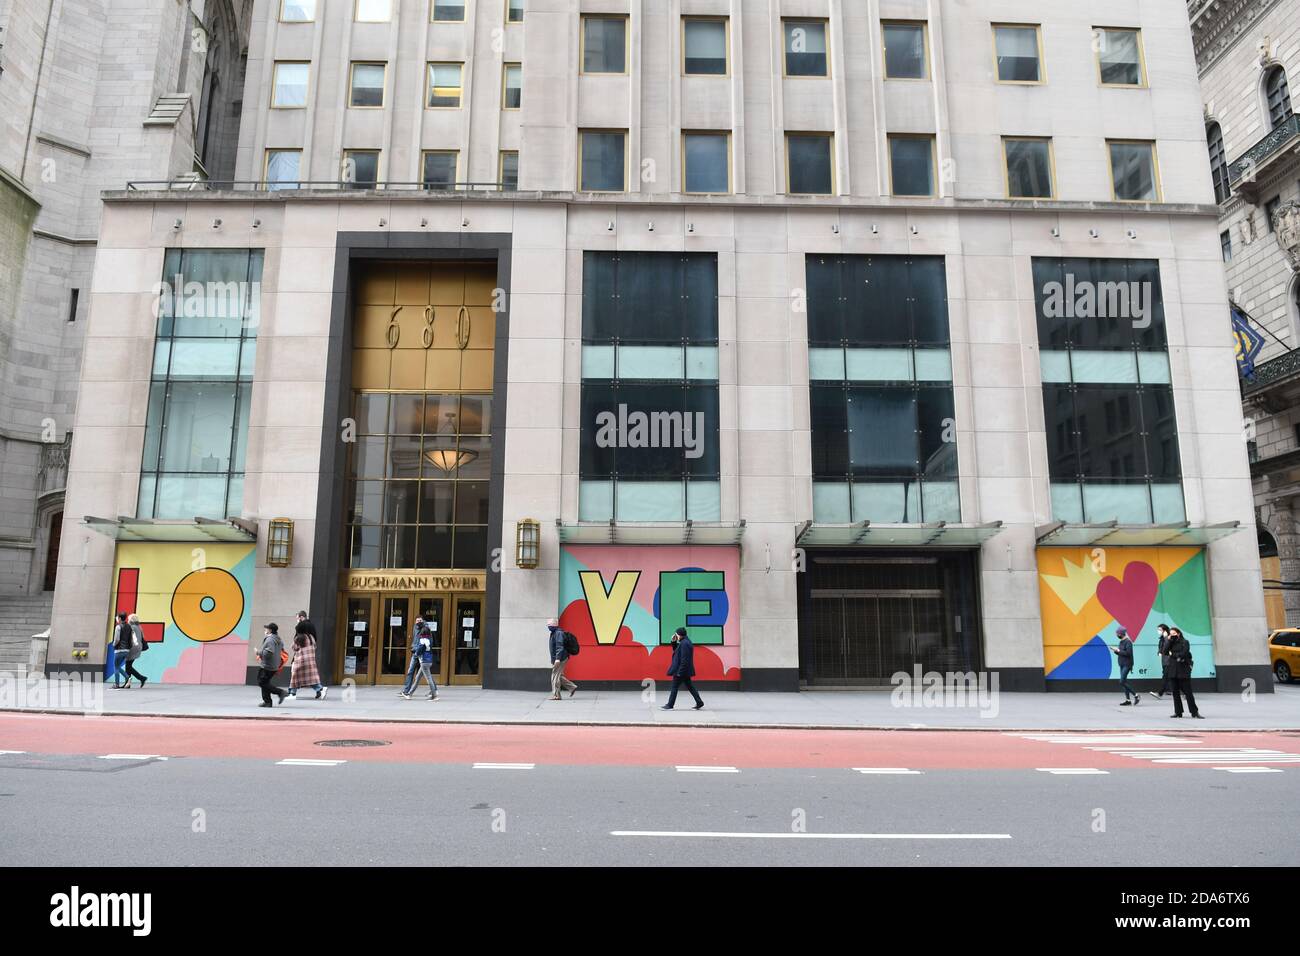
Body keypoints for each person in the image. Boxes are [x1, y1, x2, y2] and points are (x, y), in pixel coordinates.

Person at [661, 626, 704, 711]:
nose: (676, 636)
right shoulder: (684, 642)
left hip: (681, 670)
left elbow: (685, 659)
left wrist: (680, 672)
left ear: (680, 635)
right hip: (684, 670)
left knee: (674, 687)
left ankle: (670, 705)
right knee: (690, 686)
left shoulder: (685, 644)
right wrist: (673, 642)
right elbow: (677, 651)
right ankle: (699, 702)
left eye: (676, 634)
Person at [400, 613, 439, 701]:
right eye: (417, 621)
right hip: (420, 655)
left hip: (422, 656)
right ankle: (408, 692)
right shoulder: (415, 627)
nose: (418, 622)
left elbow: (425, 643)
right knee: (415, 674)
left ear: (423, 621)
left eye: (420, 621)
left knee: (425, 677)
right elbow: (415, 639)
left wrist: (417, 652)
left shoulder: (425, 629)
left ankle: (434, 693)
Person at [1166, 626, 1203, 719]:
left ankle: (1194, 712)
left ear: (1178, 633)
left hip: (1183, 671)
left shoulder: (1185, 642)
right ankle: (1178, 712)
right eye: (1171, 634)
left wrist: (1173, 654)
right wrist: (1169, 641)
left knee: (1188, 693)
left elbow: (1183, 654)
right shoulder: (1171, 643)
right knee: (1175, 693)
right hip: (1173, 670)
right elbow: (1165, 651)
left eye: (1174, 634)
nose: (1172, 635)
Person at [287, 620, 326, 700]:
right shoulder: (311, 637)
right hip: (310, 661)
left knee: (295, 677)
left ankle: (292, 694)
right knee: (310, 678)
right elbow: (314, 647)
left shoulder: (298, 638)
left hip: (300, 661)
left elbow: (294, 648)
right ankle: (320, 689)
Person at [257, 623, 288, 708]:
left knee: (261, 682)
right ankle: (267, 702)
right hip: (274, 665)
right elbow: (280, 650)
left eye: (266, 628)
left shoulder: (270, 640)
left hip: (267, 665)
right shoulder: (278, 639)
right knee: (265, 682)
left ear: (270, 630)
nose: (265, 630)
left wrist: (258, 652)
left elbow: (269, 652)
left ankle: (280, 692)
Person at [547, 618, 577, 700]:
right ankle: (572, 687)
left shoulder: (558, 633)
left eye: (549, 625)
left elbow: (560, 646)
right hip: (558, 658)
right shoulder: (554, 633)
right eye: (548, 625)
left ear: (554, 625)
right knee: (559, 675)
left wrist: (557, 659)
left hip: (561, 658)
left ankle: (556, 695)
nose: (548, 626)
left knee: (555, 675)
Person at [1111, 627, 1139, 706]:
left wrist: (1119, 650)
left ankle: (1136, 695)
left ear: (1122, 633)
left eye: (1118, 633)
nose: (1117, 635)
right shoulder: (1121, 642)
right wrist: (1116, 651)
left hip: (1127, 664)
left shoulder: (1128, 642)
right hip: (1122, 663)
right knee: (1124, 682)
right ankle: (1128, 700)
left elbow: (1128, 653)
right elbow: (1121, 653)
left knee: (1122, 681)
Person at [122, 613, 149, 688]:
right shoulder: (139, 627)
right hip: (137, 647)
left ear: (131, 620)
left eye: (129, 619)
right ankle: (130, 683)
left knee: (128, 666)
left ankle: (140, 678)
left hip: (132, 648)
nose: (128, 620)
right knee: (128, 666)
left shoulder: (131, 627)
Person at [1149, 624, 1172, 700]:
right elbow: (1161, 648)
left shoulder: (1169, 638)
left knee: (1165, 676)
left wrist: (1166, 637)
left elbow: (1167, 646)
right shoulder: (1161, 639)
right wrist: (1159, 652)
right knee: (1172, 676)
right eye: (1158, 629)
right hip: (1164, 660)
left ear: (1165, 631)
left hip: (1170, 660)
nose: (1158, 631)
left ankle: (1160, 693)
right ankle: (1184, 692)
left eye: (1160, 630)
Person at [110, 613, 132, 688]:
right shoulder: (129, 627)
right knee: (118, 666)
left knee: (116, 666)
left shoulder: (118, 627)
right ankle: (128, 678)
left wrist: (113, 645)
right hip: (126, 650)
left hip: (119, 650)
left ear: (119, 618)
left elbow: (117, 639)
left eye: (117, 617)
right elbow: (130, 639)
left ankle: (116, 684)